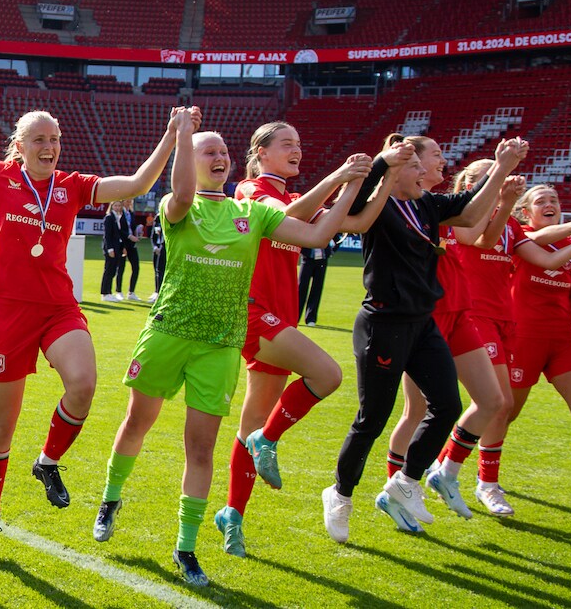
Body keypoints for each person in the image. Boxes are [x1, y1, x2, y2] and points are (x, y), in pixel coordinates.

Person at [0, 71, 183, 566]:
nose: (49, 146)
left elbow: (137, 183)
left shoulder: (74, 186)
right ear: (21, 145)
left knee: (84, 384)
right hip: (8, 312)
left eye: (55, 139)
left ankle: (48, 461)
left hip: (58, 308)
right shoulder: (0, 175)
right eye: (40, 139)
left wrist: (172, 136)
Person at [94, 122, 370, 585]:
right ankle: (110, 499)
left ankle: (186, 548)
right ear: (189, 160)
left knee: (200, 450)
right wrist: (183, 136)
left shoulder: (252, 212)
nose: (218, 157)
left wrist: (349, 182)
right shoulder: (175, 205)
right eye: (207, 152)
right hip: (169, 334)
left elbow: (318, 234)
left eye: (222, 151)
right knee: (137, 422)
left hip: (219, 346)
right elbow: (181, 191)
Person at [322, 136, 527, 544]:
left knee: (448, 405)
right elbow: (359, 198)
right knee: (373, 418)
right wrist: (385, 162)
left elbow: (470, 216)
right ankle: (340, 493)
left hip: (423, 323)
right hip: (383, 321)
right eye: (418, 167)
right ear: (400, 171)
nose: (429, 175)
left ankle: (406, 482)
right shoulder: (379, 205)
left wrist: (502, 167)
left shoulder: (426, 205)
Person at [384, 153, 571, 524]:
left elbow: (535, 252)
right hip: (457, 317)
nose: (498, 181)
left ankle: (431, 477)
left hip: (496, 321)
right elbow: (473, 236)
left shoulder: (504, 226)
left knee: (489, 406)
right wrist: (503, 198)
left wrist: (508, 205)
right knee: (437, 408)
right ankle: (415, 482)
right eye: (487, 177)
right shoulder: (455, 218)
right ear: (467, 187)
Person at [215, 122, 383, 557]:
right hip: (254, 312)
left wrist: (375, 179)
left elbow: (357, 222)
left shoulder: (292, 196)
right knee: (327, 374)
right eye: (287, 143)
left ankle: (232, 514)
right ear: (262, 152)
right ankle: (268, 442)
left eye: (300, 143)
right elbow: (287, 220)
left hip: (280, 317)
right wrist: (338, 178)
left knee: (250, 425)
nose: (297, 149)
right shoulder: (249, 191)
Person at [506, 184, 571, 458]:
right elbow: (540, 238)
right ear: (526, 212)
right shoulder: (522, 235)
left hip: (564, 340)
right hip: (522, 338)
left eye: (554, 200)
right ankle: (449, 463)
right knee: (505, 414)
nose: (550, 204)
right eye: (541, 201)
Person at [297, 233, 345, 326]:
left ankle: (311, 319)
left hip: (322, 260)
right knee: (301, 288)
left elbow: (338, 240)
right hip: (307, 259)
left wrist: (331, 251)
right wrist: (302, 251)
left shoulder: (327, 227)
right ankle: (295, 317)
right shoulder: (309, 225)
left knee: (317, 288)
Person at [101, 200, 126, 302]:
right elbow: (107, 235)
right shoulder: (109, 218)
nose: (117, 207)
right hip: (111, 248)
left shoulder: (119, 217)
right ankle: (105, 293)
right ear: (111, 207)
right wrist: (110, 249)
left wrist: (122, 247)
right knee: (108, 270)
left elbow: (119, 234)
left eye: (119, 205)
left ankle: (109, 292)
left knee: (113, 271)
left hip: (117, 247)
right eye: (115, 205)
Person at [118, 199, 141, 301]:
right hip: (122, 244)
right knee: (121, 268)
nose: (129, 202)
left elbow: (132, 227)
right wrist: (128, 236)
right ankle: (118, 291)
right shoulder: (119, 213)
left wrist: (137, 232)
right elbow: (119, 230)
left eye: (130, 201)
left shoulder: (131, 213)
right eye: (127, 201)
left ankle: (131, 292)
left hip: (132, 244)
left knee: (136, 267)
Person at [148, 212, 165, 303]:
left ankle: (160, 293)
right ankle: (156, 291)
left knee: (162, 270)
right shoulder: (158, 219)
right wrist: (155, 247)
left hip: (165, 249)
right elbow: (153, 236)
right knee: (157, 270)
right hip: (157, 249)